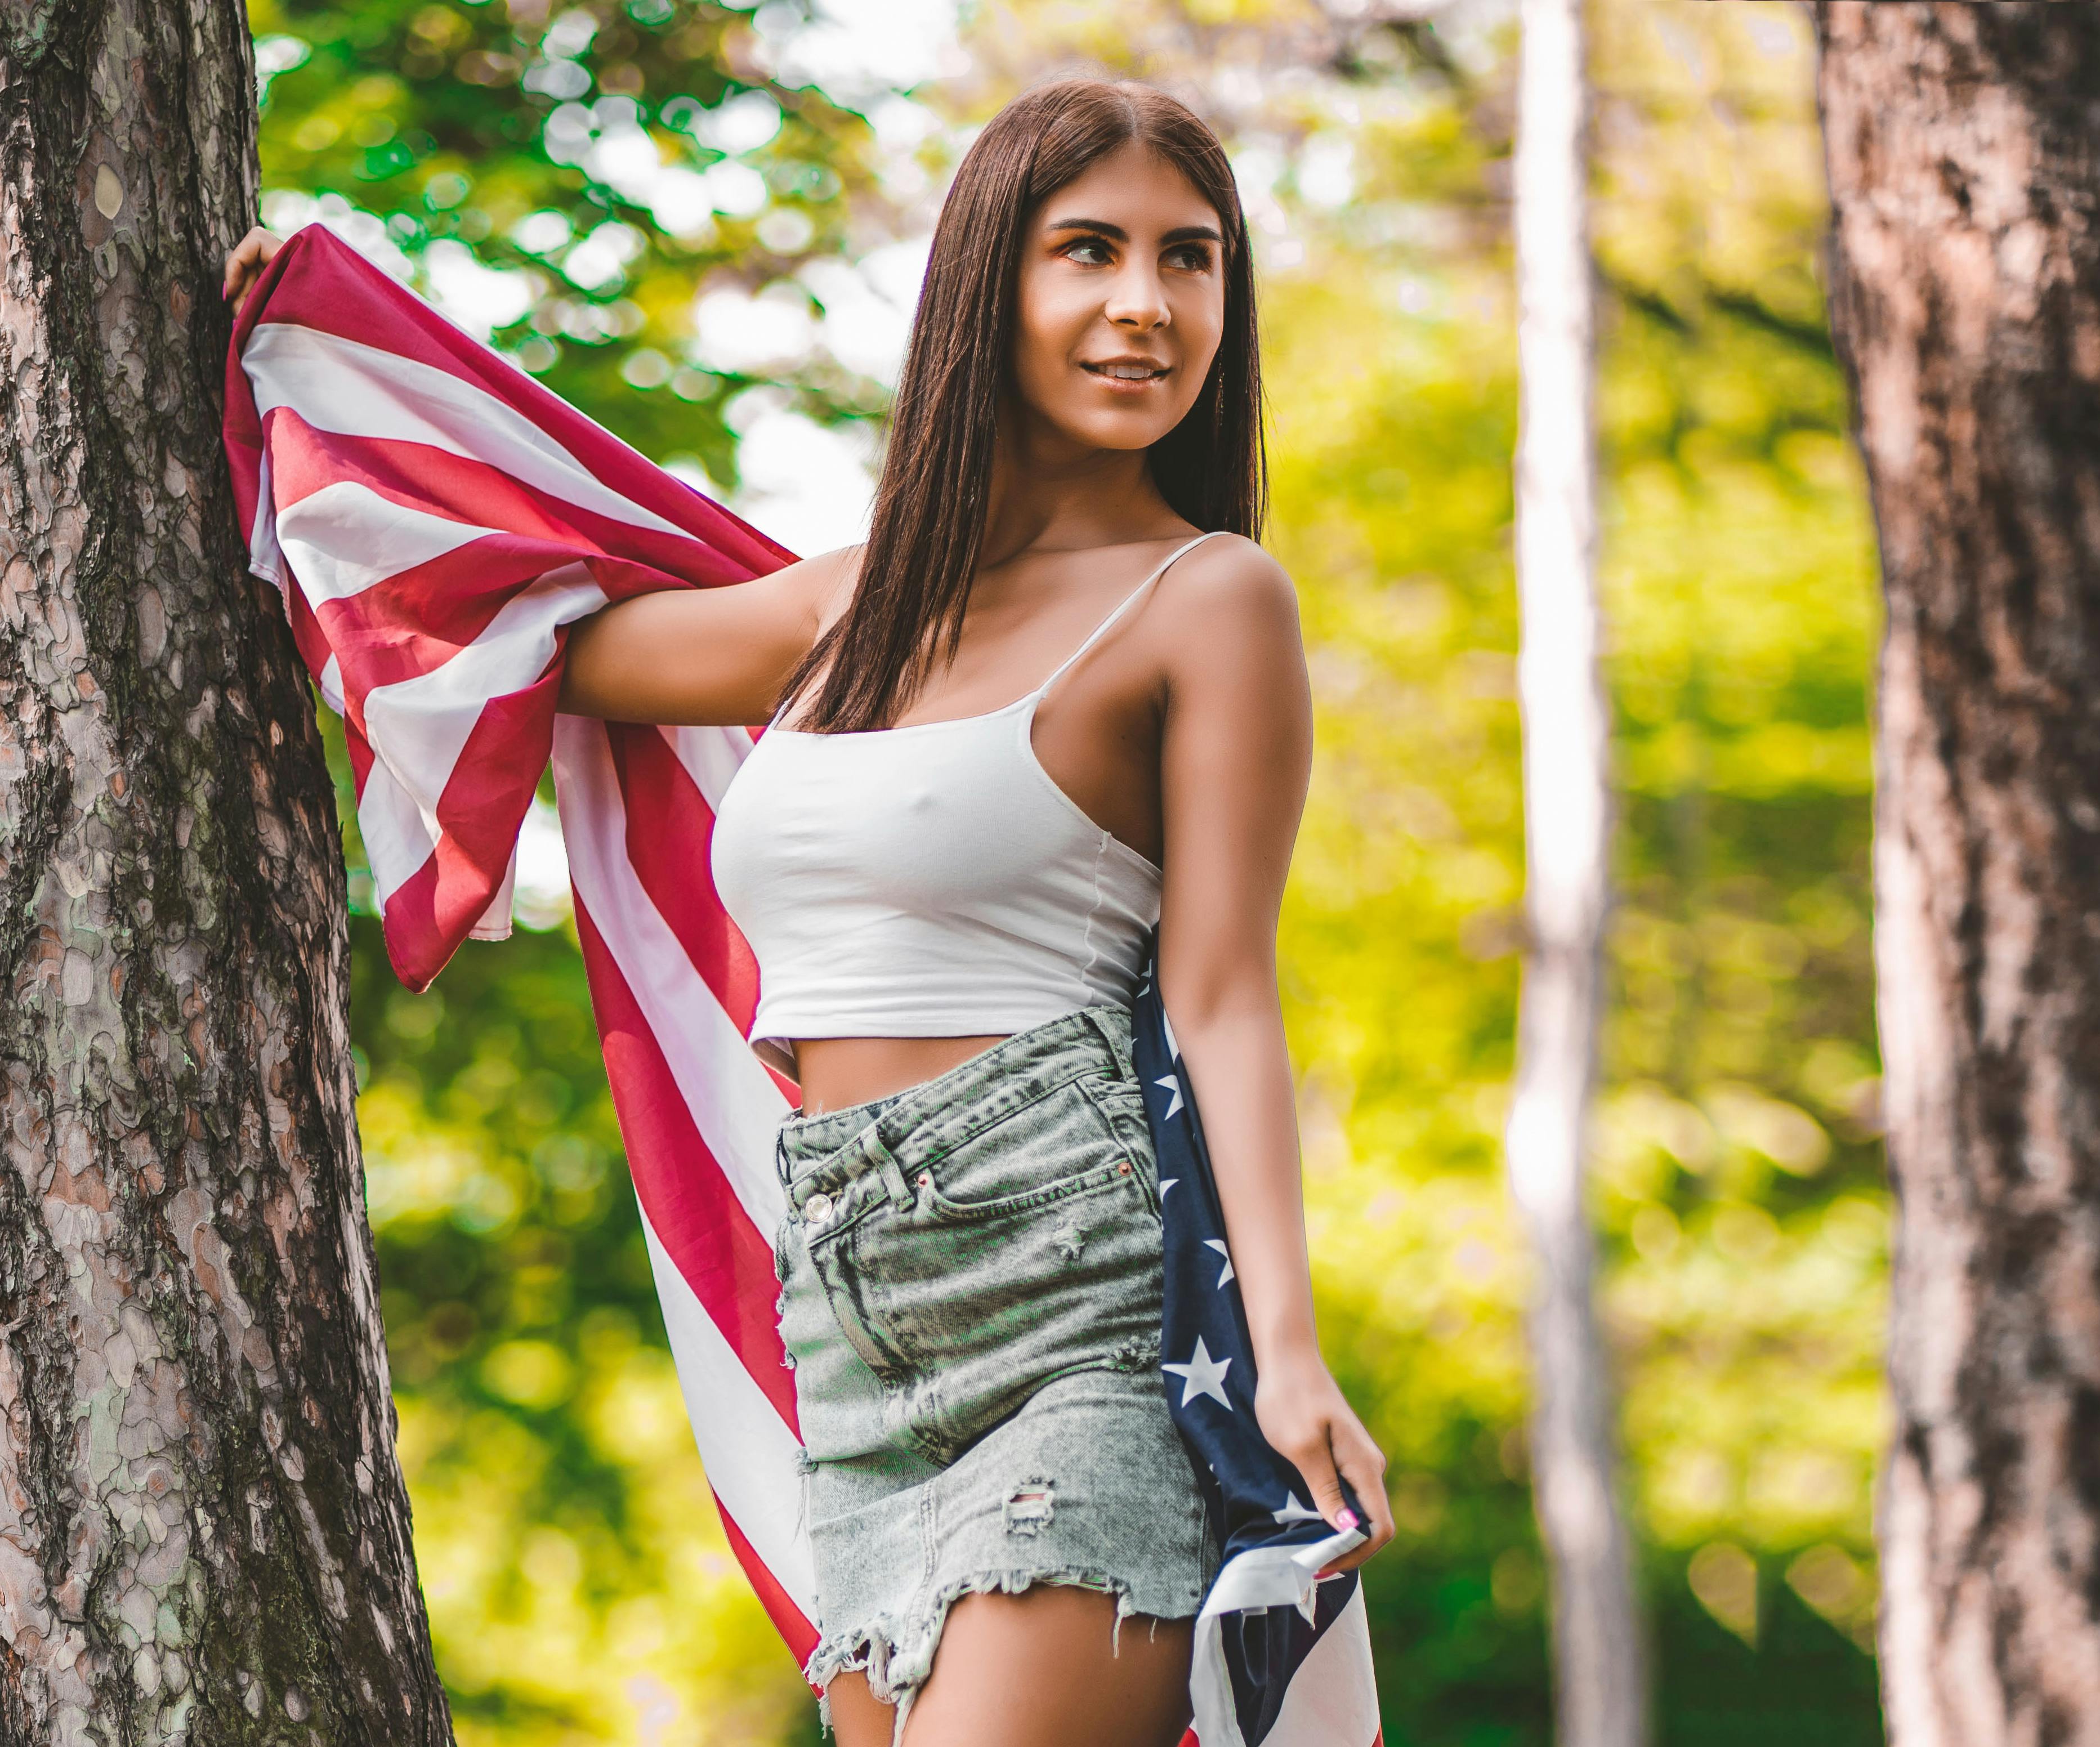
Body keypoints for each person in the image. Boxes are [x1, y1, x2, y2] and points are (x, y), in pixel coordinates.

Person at [226, 76, 1392, 1747]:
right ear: (987, 289)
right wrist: (312, 359)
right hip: (844, 1320)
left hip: (1079, 1299)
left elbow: (1222, 998)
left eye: (1190, 260)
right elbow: (516, 650)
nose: (1146, 306)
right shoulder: (846, 606)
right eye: (1088, 252)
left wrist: (1284, 1356)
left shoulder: (1205, 601)